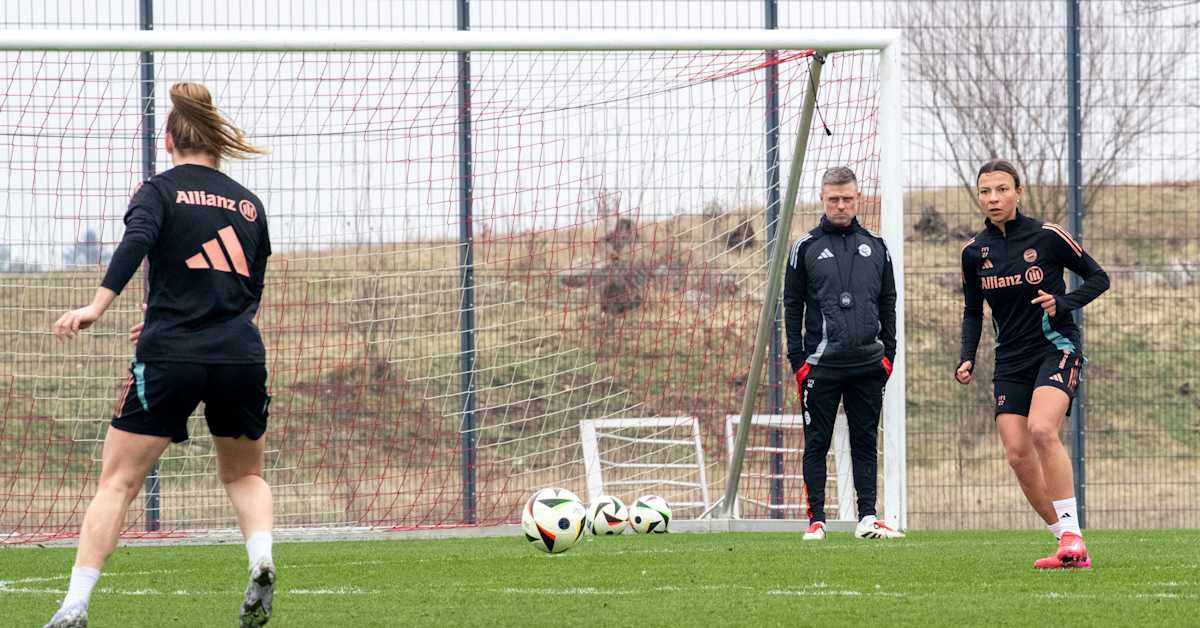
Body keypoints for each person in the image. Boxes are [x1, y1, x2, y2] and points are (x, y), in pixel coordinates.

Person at [46, 82, 275, 627]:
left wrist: (97, 307)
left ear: (168, 140)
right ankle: (261, 557)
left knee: (118, 483)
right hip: (240, 355)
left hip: (171, 355)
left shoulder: (159, 190)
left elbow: (136, 242)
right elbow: (248, 291)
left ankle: (75, 604)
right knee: (244, 476)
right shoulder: (249, 204)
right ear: (216, 142)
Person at [957, 159, 1109, 569]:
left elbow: (1099, 278)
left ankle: (1074, 534)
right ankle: (1066, 545)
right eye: (986, 191)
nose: (993, 198)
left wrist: (1063, 302)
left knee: (1042, 429)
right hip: (1010, 358)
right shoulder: (974, 252)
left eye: (1002, 189)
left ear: (1018, 192)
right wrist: (966, 357)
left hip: (1055, 346)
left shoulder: (1048, 236)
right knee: (1017, 453)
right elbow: (973, 311)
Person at [783, 166, 903, 541]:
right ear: (822, 198)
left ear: (858, 199)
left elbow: (888, 302)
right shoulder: (804, 247)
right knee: (816, 442)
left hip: (869, 364)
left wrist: (889, 355)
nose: (840, 205)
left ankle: (867, 516)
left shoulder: (877, 246)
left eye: (847, 198)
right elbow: (791, 305)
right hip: (821, 366)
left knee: (864, 441)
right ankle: (816, 520)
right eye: (833, 199)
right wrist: (798, 361)